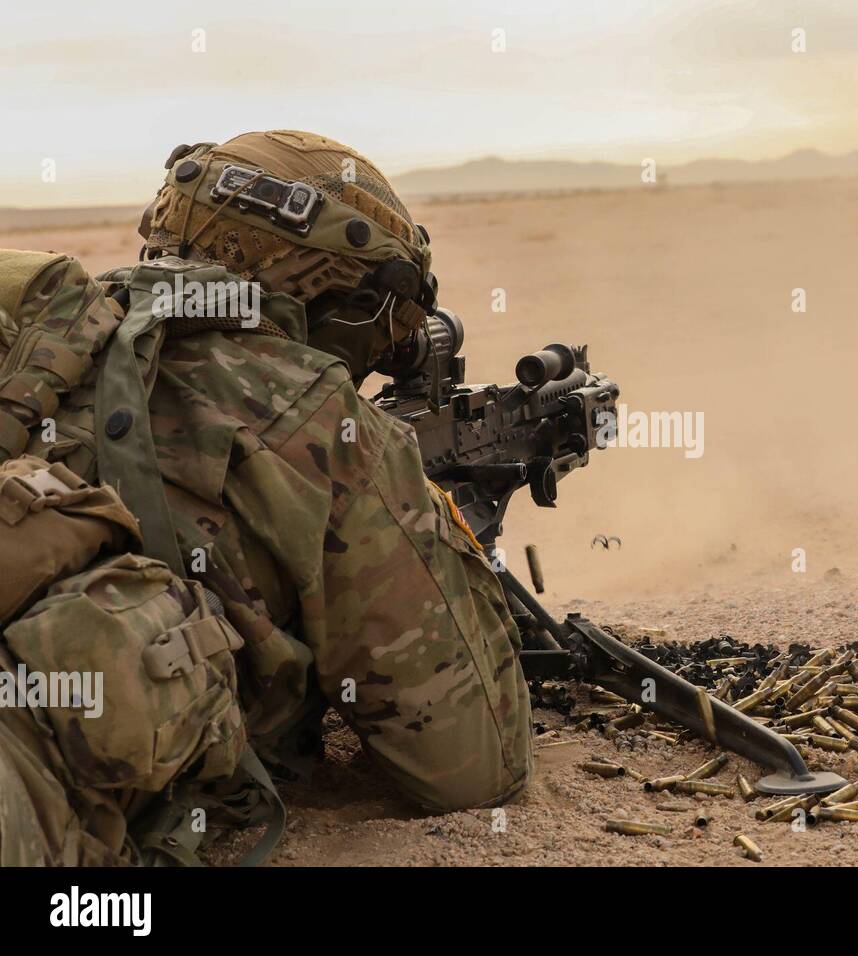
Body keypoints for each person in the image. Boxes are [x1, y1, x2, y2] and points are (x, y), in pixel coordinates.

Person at [0, 130, 532, 866]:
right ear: (324, 281)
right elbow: (470, 765)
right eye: (378, 305)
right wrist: (437, 528)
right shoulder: (315, 413)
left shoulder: (42, 343)